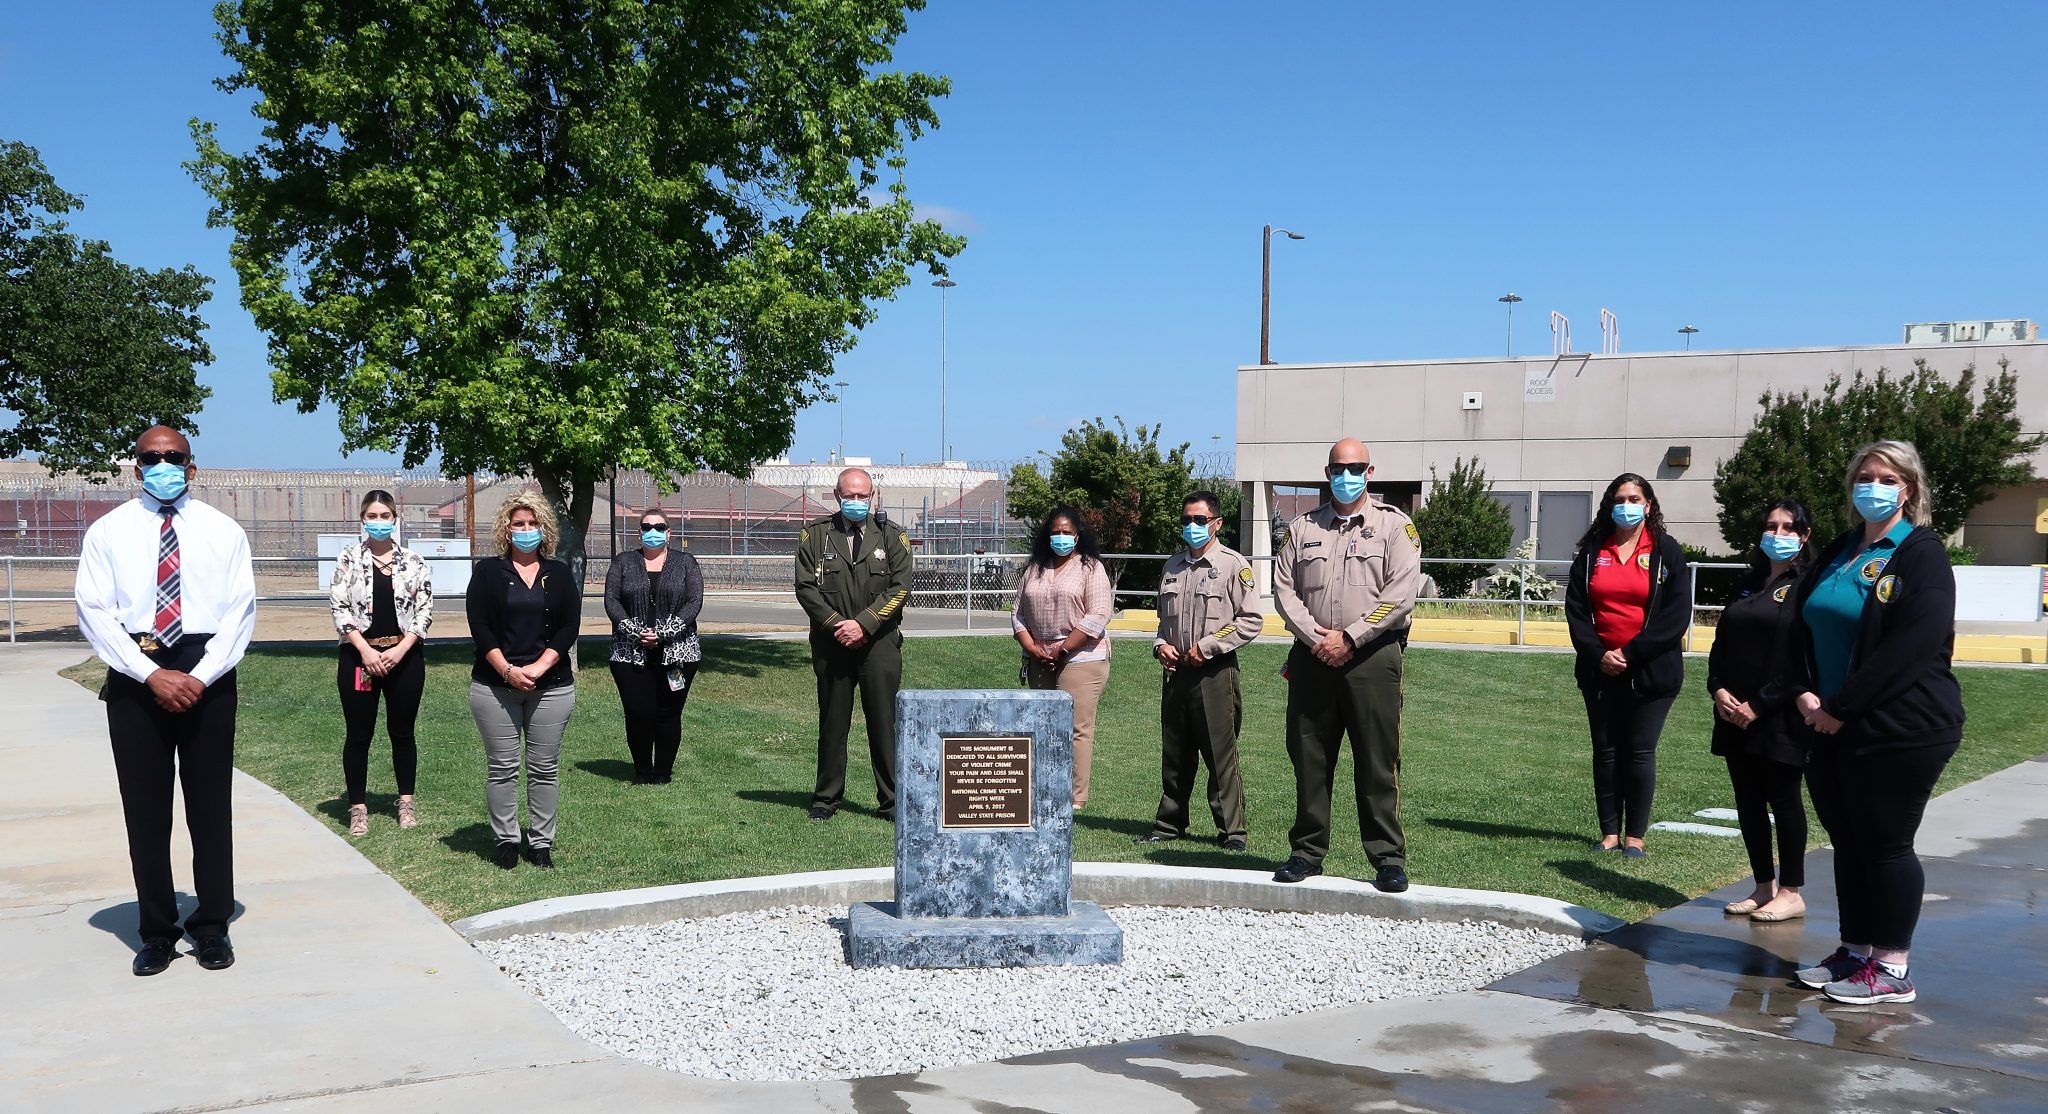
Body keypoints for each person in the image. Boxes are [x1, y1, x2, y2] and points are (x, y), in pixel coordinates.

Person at [74, 425, 256, 975]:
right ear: (136, 468)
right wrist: (151, 674)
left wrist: (198, 676)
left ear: (192, 467)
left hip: (208, 672)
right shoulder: (108, 533)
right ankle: (155, 931)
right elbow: (93, 610)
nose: (163, 465)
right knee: (146, 813)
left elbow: (239, 612)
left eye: (174, 456)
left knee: (209, 809)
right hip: (136, 676)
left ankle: (212, 926)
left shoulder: (225, 533)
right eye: (152, 458)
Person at [1789, 441, 1964, 1005]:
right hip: (1828, 723)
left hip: (1901, 726)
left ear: (1907, 489)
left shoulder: (1920, 553)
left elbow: (1910, 647)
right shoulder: (1840, 549)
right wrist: (1805, 696)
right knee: (1849, 842)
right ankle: (1855, 952)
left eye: (1886, 478)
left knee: (1886, 844)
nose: (1873, 486)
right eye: (1863, 476)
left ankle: (1892, 967)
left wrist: (1841, 708)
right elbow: (1798, 626)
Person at [1271, 438, 1421, 892]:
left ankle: (1387, 858)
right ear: (1327, 471)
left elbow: (1399, 594)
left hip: (1373, 657)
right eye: (1339, 468)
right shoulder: (1303, 528)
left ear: (1370, 472)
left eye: (1355, 467)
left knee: (1377, 760)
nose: (1346, 475)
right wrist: (1318, 638)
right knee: (1309, 757)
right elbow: (1284, 589)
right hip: (1313, 656)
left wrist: (1351, 637)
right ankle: (1307, 852)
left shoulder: (1395, 528)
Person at [1563, 472, 1692, 859]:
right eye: (1621, 499)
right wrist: (1599, 653)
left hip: (1651, 671)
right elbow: (1576, 611)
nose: (1628, 506)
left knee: (1638, 751)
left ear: (1649, 505)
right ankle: (1609, 834)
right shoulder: (1591, 553)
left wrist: (1630, 654)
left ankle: (1635, 837)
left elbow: (1676, 614)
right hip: (1599, 670)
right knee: (1605, 751)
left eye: (1636, 499)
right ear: (1609, 505)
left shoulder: (1666, 551)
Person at [1706, 500, 1814, 921]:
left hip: (1780, 713)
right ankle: (1762, 886)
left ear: (1804, 535)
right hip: (1734, 712)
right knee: (1748, 801)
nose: (1778, 534)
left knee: (1784, 801)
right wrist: (1717, 689)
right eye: (1771, 526)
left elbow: (1803, 658)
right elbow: (1722, 646)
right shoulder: (1749, 582)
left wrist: (1760, 703)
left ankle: (1791, 890)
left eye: (1789, 527)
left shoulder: (1808, 584)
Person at [1139, 490, 1264, 850]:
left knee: (1219, 755)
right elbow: (1163, 622)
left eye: (1199, 520)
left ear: (1216, 523)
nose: (1191, 526)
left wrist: (1206, 648)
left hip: (1214, 674)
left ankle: (1232, 833)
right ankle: (1169, 825)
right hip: (1176, 672)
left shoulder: (1232, 565)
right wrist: (1160, 645)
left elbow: (1250, 621)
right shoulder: (1173, 566)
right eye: (1186, 520)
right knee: (1175, 754)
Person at [466, 492, 578, 869]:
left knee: (544, 768)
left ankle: (541, 843)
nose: (526, 530)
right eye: (519, 524)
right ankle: (506, 840)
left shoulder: (559, 574)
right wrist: (508, 671)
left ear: (544, 529)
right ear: (506, 529)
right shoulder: (487, 572)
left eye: (532, 524)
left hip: (551, 687)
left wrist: (539, 668)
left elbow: (568, 627)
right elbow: (480, 627)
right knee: (503, 766)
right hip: (495, 687)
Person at [794, 466, 911, 822]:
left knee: (883, 723)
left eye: (863, 496)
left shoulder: (892, 536)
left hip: (879, 644)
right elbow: (806, 589)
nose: (856, 502)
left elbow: (900, 588)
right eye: (850, 495)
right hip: (832, 644)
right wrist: (837, 626)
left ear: (872, 496)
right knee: (833, 723)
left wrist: (864, 624)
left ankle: (891, 802)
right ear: (836, 495)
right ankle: (826, 799)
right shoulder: (815, 536)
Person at [328, 489, 433, 836]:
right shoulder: (348, 559)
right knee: (359, 735)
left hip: (403, 658)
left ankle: (405, 801)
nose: (378, 523)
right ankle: (358, 807)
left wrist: (400, 650)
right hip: (361, 659)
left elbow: (424, 613)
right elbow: (340, 608)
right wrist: (366, 651)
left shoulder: (414, 562)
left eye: (384, 516)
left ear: (394, 519)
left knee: (402, 733)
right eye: (371, 517)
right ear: (362, 521)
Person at [1012, 505, 1114, 808]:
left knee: (1075, 729)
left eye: (1066, 532)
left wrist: (1064, 648)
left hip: (1081, 657)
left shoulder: (1091, 568)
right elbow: (1017, 613)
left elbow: (1099, 614)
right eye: (1055, 532)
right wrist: (1031, 648)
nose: (1060, 537)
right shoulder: (1035, 569)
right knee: (1041, 727)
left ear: (1077, 536)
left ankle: (1074, 798)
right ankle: (1043, 791)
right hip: (1039, 657)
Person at [604, 507, 704, 785]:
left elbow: (694, 602)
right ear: (639, 532)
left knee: (668, 714)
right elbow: (611, 601)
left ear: (669, 533)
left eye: (659, 527)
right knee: (639, 713)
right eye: (647, 527)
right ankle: (642, 771)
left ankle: (662, 773)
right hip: (629, 653)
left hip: (678, 653)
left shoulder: (686, 563)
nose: (653, 532)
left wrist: (663, 632)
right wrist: (635, 632)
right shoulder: (623, 562)